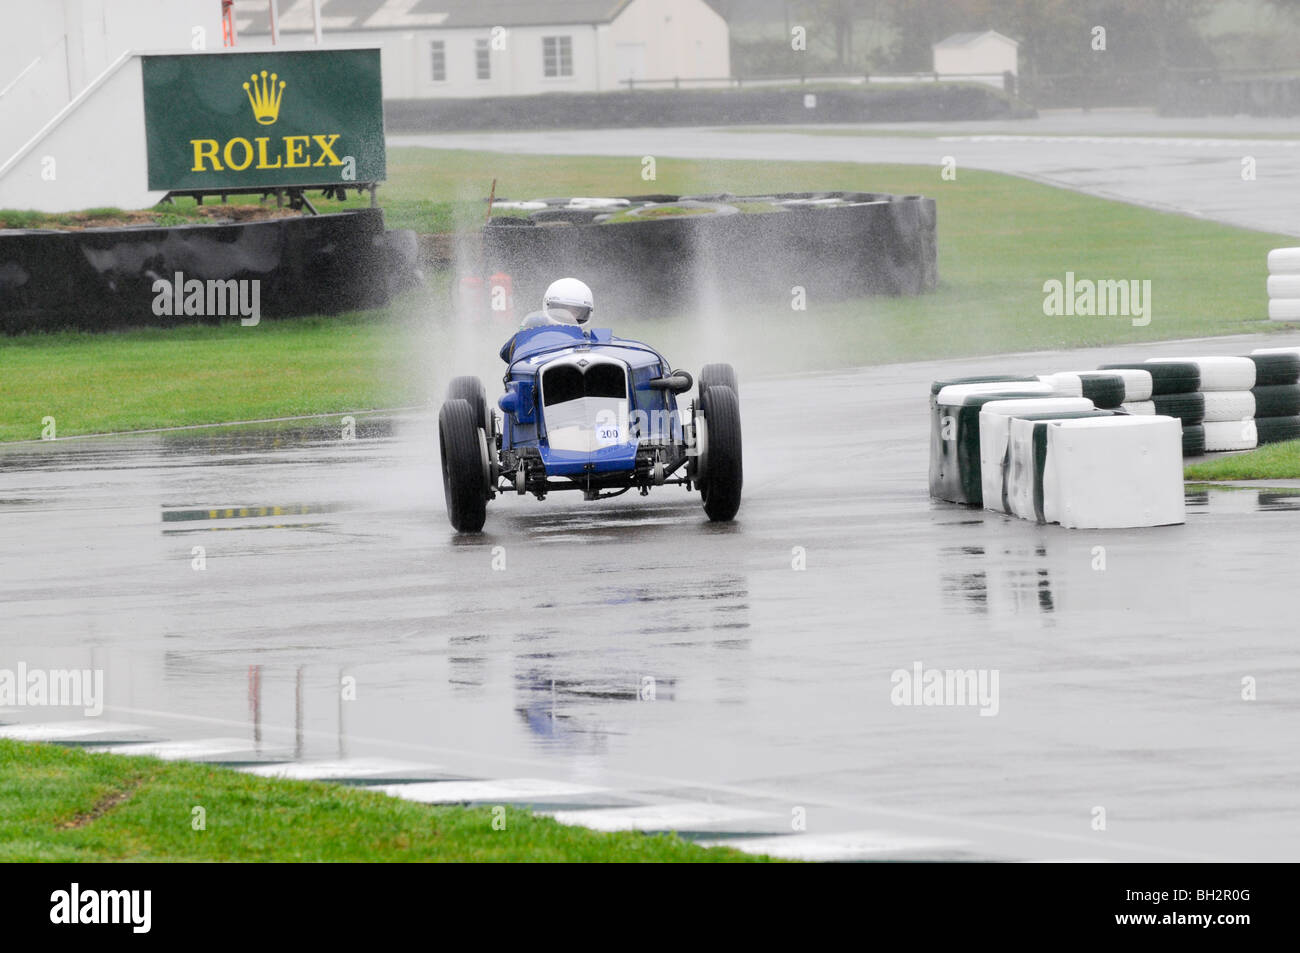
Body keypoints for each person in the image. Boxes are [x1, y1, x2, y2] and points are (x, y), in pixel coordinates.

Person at [501, 278, 594, 361]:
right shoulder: (533, 328)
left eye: (576, 311)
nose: (568, 316)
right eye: (562, 309)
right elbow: (505, 353)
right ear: (548, 306)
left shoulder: (587, 339)